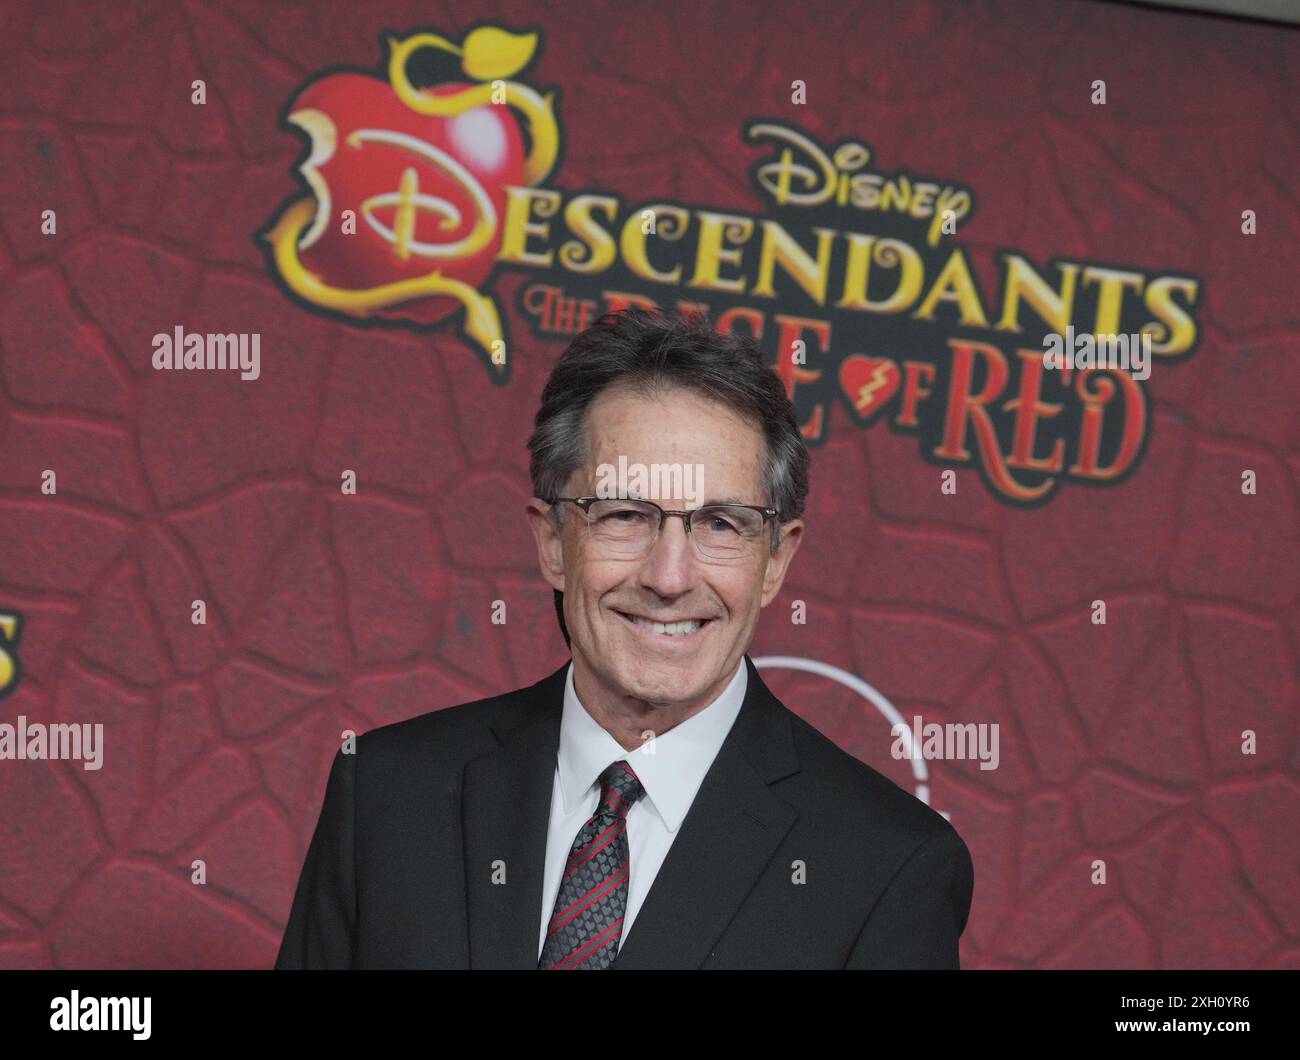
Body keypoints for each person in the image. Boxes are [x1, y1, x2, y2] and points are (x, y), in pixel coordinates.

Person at [275, 306, 974, 969]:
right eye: (624, 516)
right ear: (553, 540)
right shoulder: (387, 796)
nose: (669, 577)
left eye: (721, 524)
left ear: (776, 560)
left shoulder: (889, 867)